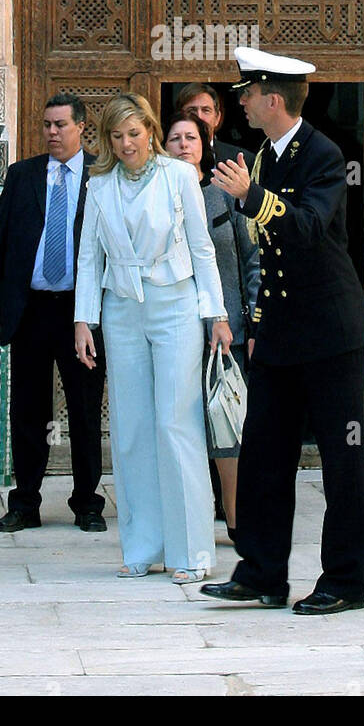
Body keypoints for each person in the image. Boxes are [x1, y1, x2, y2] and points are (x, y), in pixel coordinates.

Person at [201, 47, 364, 614]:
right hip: (279, 334)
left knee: (341, 457)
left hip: (328, 334)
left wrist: (249, 196)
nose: (241, 103)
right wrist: (257, 323)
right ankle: (262, 572)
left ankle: (344, 580)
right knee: (264, 456)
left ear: (273, 99)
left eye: (247, 94)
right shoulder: (266, 155)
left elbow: (305, 229)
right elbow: (266, 257)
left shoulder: (323, 154)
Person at [74, 93, 231, 583]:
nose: (126, 145)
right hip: (121, 309)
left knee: (175, 423)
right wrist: (84, 320)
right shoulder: (99, 185)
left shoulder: (179, 176)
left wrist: (217, 314)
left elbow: (203, 249)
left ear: (149, 130)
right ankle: (143, 547)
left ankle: (192, 552)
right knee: (132, 426)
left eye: (134, 134)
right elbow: (87, 257)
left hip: (175, 306)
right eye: (117, 137)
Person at [0, 93, 106, 533]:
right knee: (29, 409)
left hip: (82, 312)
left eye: (60, 125)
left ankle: (87, 503)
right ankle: (25, 503)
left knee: (84, 407)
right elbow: (2, 244)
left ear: (80, 127)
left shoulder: (102, 174)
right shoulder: (23, 175)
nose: (52, 133)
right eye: (46, 125)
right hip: (32, 309)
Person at [164, 110, 260, 540]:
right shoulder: (156, 195)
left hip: (228, 331)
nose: (183, 145)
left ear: (205, 145)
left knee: (228, 427)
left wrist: (255, 324)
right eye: (175, 138)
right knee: (180, 426)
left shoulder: (224, 196)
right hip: (174, 330)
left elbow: (252, 262)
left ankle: (238, 519)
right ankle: (191, 521)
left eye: (191, 138)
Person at [175, 82, 250, 165]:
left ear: (217, 118)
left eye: (206, 110)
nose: (199, 117)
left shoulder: (243, 161)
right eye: (192, 110)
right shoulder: (165, 159)